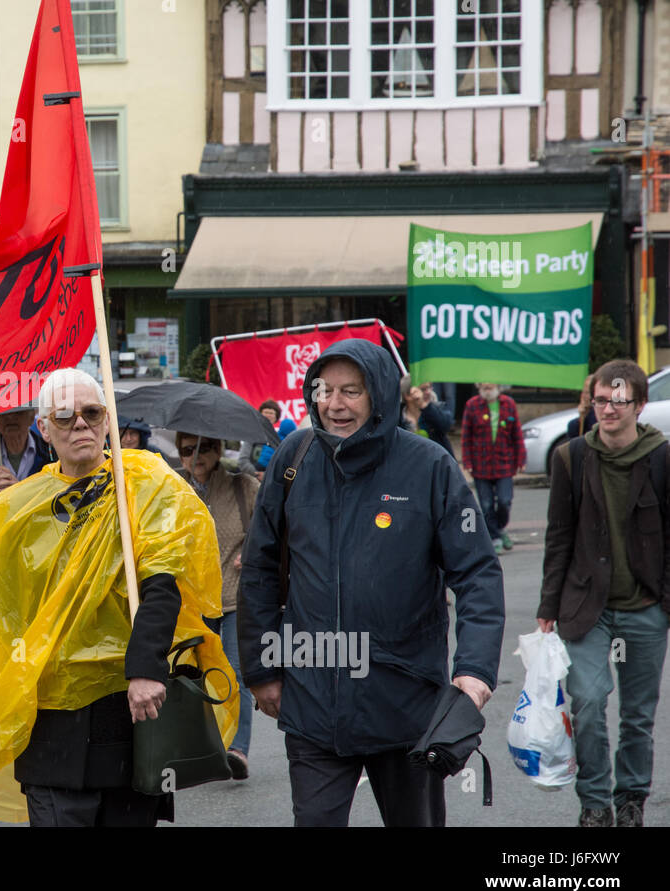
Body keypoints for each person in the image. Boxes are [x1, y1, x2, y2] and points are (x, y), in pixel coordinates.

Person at [0, 368, 235, 827]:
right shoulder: (22, 508)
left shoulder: (145, 486)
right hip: (51, 725)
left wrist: (146, 670)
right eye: (66, 415)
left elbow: (161, 586)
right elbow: (4, 618)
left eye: (92, 413)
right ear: (43, 426)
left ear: (108, 420)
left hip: (128, 708)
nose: (81, 425)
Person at [237, 339, 505, 827]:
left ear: (379, 394)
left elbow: (476, 573)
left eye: (351, 391)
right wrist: (260, 668)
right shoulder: (293, 459)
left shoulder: (429, 466)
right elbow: (259, 567)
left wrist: (476, 669)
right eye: (324, 390)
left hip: (406, 706)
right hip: (313, 702)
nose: (334, 404)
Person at [537, 359, 670, 827]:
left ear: (639, 404)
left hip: (646, 608)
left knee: (637, 715)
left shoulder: (662, 457)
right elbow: (559, 536)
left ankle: (630, 798)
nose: (608, 409)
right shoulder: (571, 457)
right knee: (589, 703)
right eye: (600, 400)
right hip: (586, 608)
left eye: (619, 400)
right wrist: (547, 605)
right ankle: (595, 802)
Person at [177, 429, 260, 780]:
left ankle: (237, 749)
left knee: (235, 674)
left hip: (234, 596)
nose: (195, 458)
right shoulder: (173, 489)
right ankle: (205, 749)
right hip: (191, 601)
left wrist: (251, 551)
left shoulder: (243, 486)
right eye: (186, 451)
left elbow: (271, 528)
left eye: (205, 449)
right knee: (194, 678)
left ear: (219, 448)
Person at [461, 382, 526, 554]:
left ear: (497, 386)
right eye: (484, 385)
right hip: (480, 465)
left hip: (504, 463)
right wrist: (467, 462)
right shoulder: (472, 405)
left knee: (505, 501)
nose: (487, 388)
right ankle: (495, 537)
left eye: (490, 385)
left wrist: (521, 458)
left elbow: (517, 434)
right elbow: (466, 436)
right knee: (486, 504)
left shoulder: (509, 404)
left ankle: (500, 528)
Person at [399, 375, 456, 458]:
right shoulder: (398, 416)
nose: (428, 392)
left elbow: (445, 425)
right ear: (407, 395)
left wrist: (425, 406)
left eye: (430, 387)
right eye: (423, 389)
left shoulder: (436, 408)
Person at [249, 400, 297, 474]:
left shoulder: (278, 437)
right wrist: (256, 473)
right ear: (260, 414)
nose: (268, 415)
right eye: (265, 412)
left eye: (271, 413)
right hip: (254, 475)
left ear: (276, 416)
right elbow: (243, 460)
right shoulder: (252, 433)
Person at [566, 374, 598, 440]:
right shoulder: (575, 424)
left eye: (590, 392)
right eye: (586, 392)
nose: (588, 396)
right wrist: (582, 417)